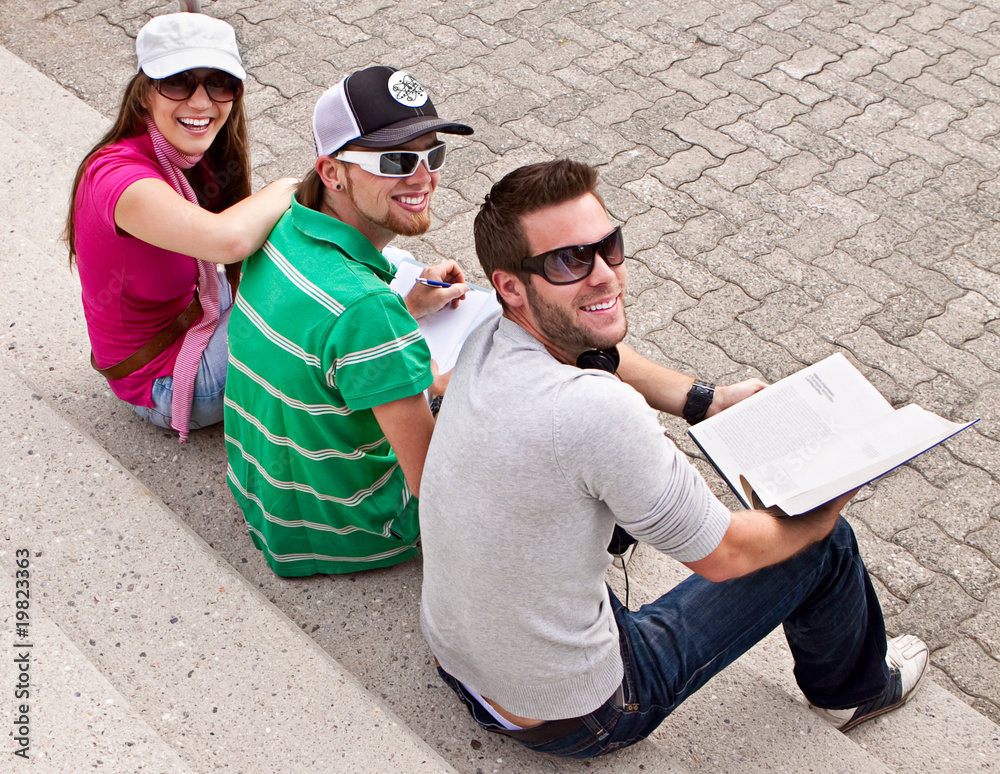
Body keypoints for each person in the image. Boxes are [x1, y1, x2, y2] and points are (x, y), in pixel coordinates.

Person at [418, 159, 930, 758]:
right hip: (577, 716)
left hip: (458, 657)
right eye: (569, 261)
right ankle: (856, 690)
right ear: (512, 286)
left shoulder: (487, 336)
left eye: (609, 246)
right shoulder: (595, 413)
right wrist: (823, 505)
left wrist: (702, 401)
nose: (604, 275)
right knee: (825, 543)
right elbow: (725, 554)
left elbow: (598, 349)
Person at [224, 66, 473, 576]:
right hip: (348, 532)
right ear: (333, 172)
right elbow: (433, 483)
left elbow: (324, 345)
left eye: (433, 154)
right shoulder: (367, 311)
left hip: (262, 495)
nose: (424, 177)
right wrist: (447, 389)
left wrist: (406, 306)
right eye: (398, 159)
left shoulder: (283, 221)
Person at [66, 12, 298, 442]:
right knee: (310, 314)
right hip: (162, 382)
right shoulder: (122, 181)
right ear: (143, 94)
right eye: (178, 81)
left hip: (193, 313)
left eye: (219, 83)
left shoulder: (183, 153)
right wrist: (296, 185)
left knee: (312, 273)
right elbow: (230, 240)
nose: (200, 102)